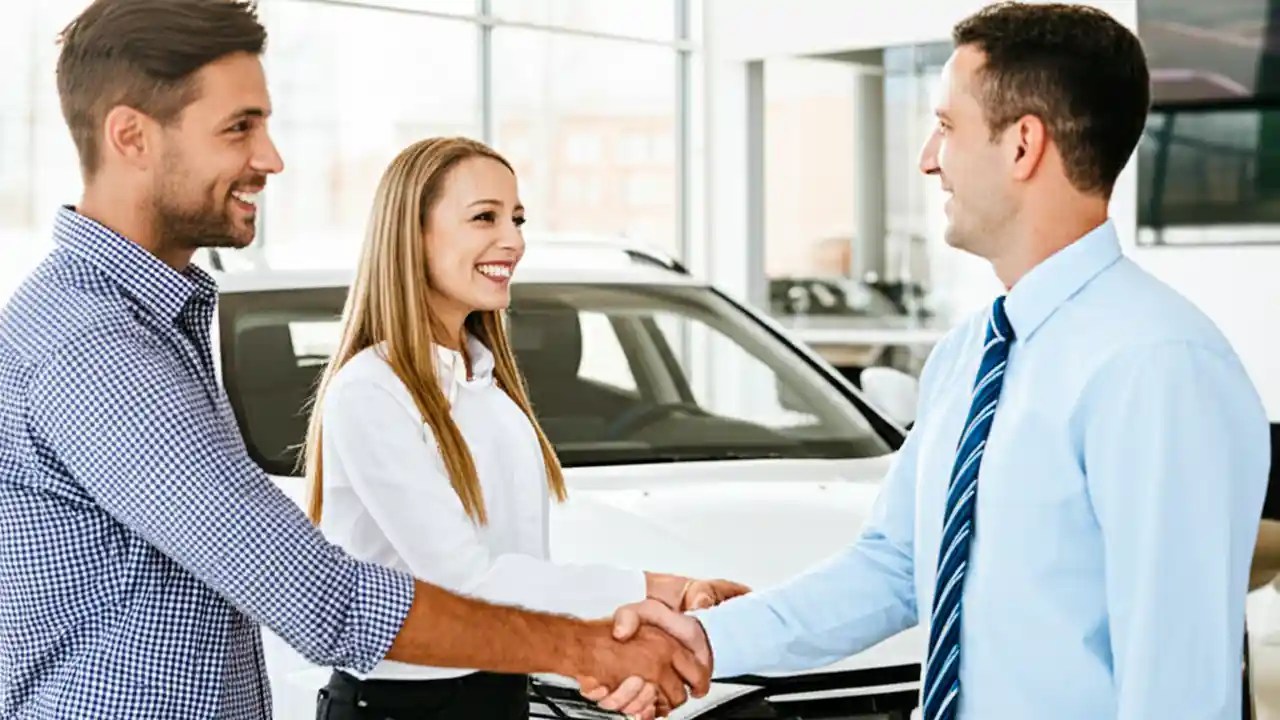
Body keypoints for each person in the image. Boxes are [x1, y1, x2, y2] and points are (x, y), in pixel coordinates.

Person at [0, 2, 708, 718]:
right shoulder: (93, 348)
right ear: (132, 137)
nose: (271, 158)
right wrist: (590, 645)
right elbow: (320, 595)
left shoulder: (146, 323)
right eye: (239, 127)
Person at [584, 3, 1271, 719]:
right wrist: (703, 638)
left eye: (947, 126)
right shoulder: (968, 353)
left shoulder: (1158, 366)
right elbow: (894, 569)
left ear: (1022, 146)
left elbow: (1177, 684)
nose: (927, 157)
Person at [301, 135, 749, 720]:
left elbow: (521, 576)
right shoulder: (371, 392)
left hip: (502, 690)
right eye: (484, 217)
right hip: (401, 707)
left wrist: (622, 639)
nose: (512, 240)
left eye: (516, 218)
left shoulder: (490, 387)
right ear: (412, 235)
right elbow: (467, 582)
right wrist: (656, 592)